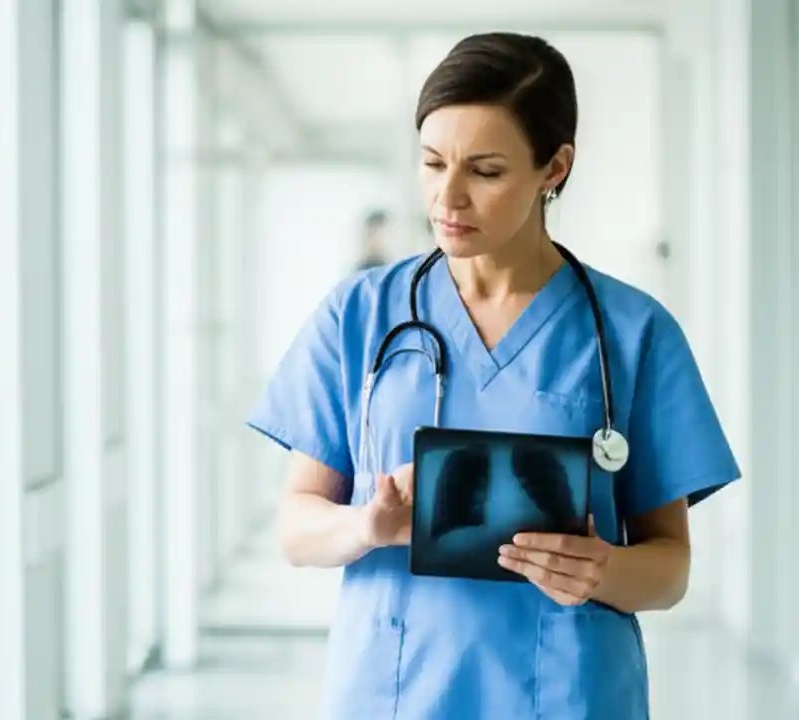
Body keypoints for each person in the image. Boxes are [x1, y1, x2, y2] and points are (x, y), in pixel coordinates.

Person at [247, 31, 741, 719]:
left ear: (553, 169)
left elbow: (669, 570)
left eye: (484, 171)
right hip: (393, 694)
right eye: (431, 162)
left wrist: (606, 568)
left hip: (568, 694)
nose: (448, 197)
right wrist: (370, 526)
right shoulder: (359, 316)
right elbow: (297, 528)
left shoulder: (632, 332)